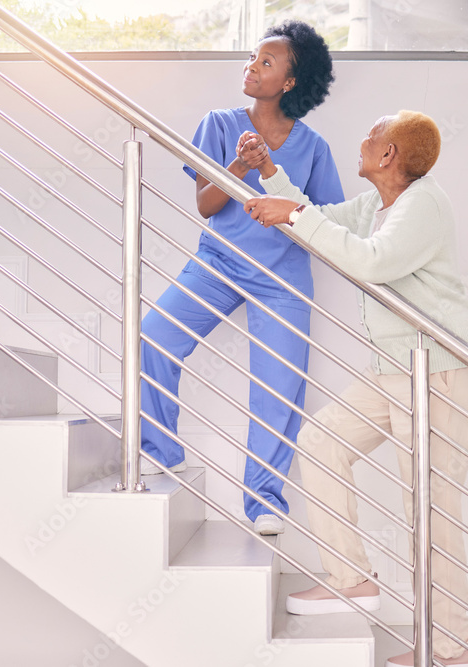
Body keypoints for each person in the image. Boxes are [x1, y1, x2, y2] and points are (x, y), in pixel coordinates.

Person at [242, 110, 468, 667]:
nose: (363, 139)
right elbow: (319, 222)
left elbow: (372, 262)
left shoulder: (423, 204)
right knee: (322, 443)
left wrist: (292, 213)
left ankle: (453, 650)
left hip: (441, 371)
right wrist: (270, 173)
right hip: (397, 369)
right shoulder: (375, 206)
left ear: (389, 154)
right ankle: (350, 577)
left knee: (430, 510)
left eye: (373, 134)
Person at [139, 20, 344, 537]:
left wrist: (276, 181)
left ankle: (264, 501)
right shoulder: (219, 123)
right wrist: (240, 164)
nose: (252, 66)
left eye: (266, 62)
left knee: (278, 387)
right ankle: (158, 452)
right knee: (154, 336)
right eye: (253, 57)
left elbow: (326, 223)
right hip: (219, 263)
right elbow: (207, 205)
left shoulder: (314, 146)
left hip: (283, 279)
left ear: (290, 82)